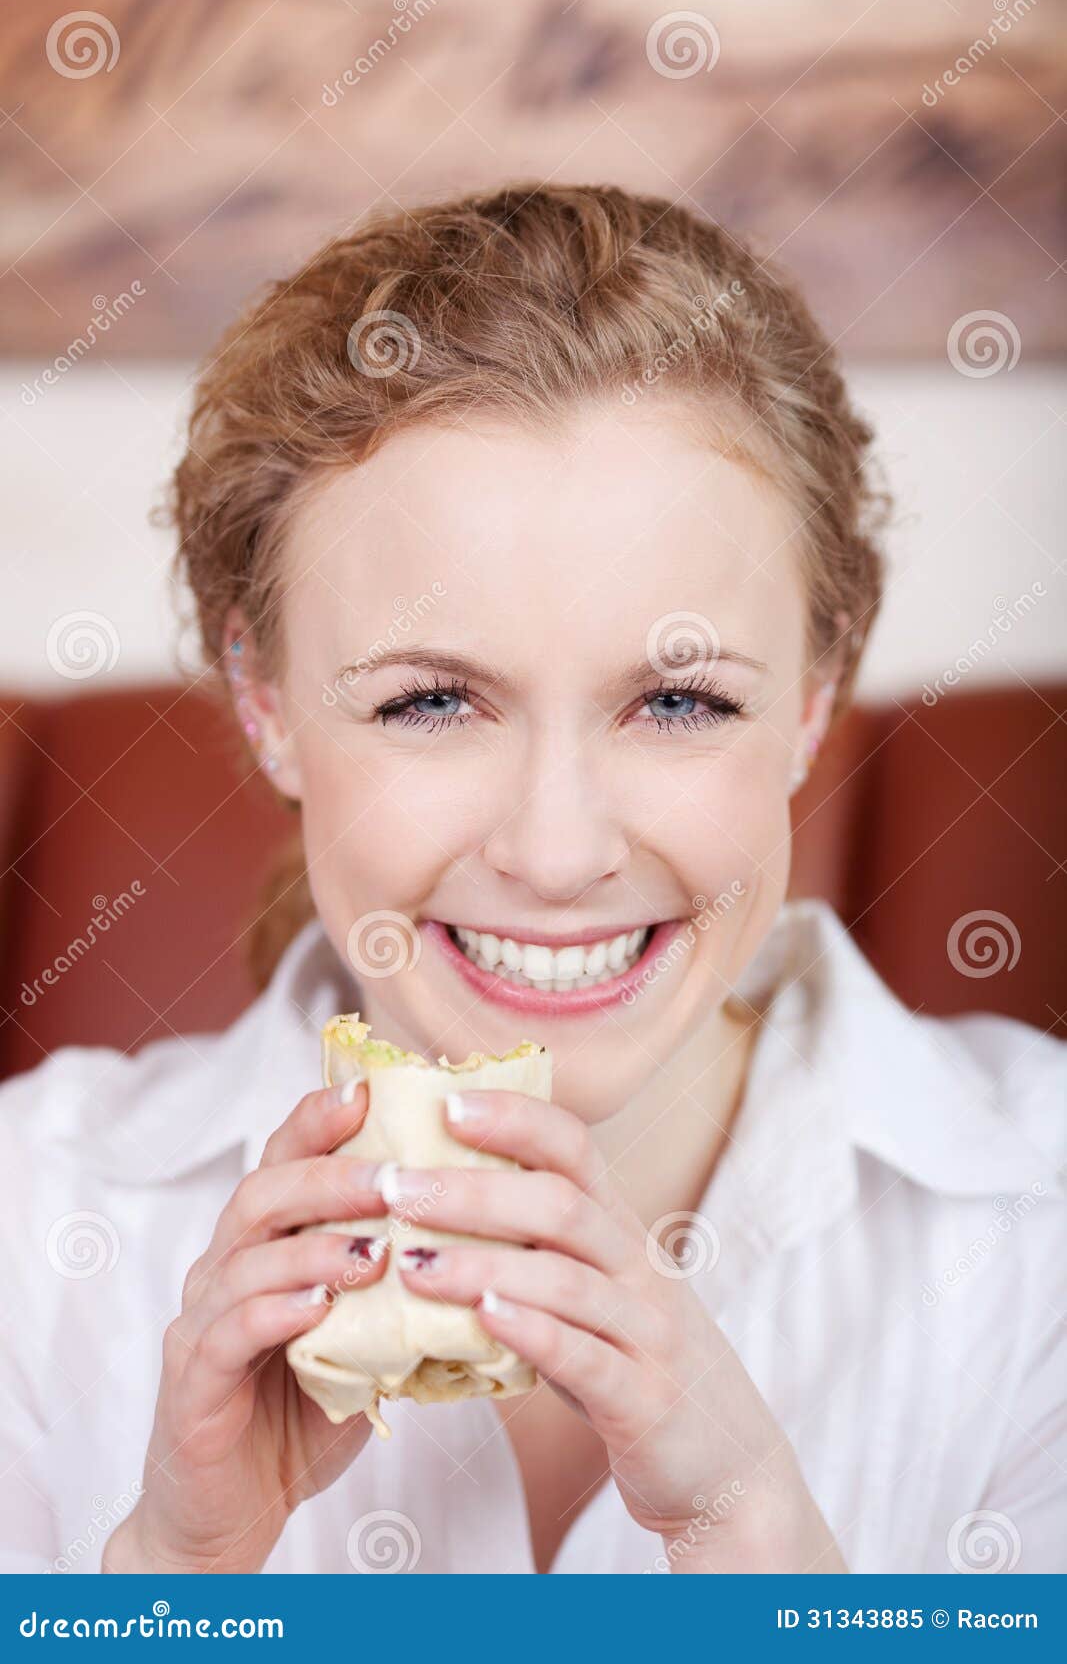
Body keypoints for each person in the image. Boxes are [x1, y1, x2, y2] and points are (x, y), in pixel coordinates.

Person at [1, 184, 1063, 1576]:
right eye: (434, 701)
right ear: (262, 695)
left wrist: (748, 1527)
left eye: (677, 701)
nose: (559, 853)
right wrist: (170, 1582)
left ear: (814, 691)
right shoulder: (33, 1229)